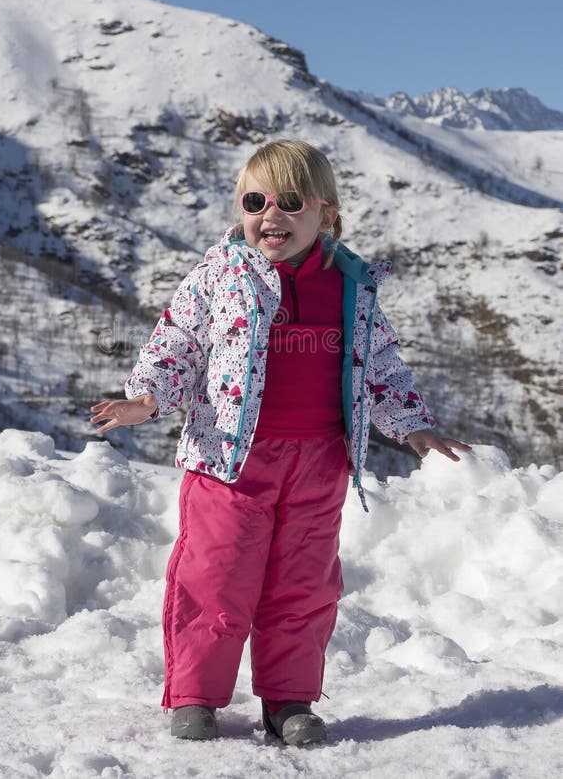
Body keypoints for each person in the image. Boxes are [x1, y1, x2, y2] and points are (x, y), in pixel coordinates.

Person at [90, 140, 471, 746]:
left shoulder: (352, 285)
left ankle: (288, 700)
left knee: (303, 586)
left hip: (319, 463)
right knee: (215, 579)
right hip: (228, 461)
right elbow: (179, 344)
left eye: (290, 202)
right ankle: (195, 695)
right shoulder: (220, 275)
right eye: (255, 200)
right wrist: (148, 399)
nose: (271, 214)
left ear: (327, 216)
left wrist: (411, 425)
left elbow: (380, 367)